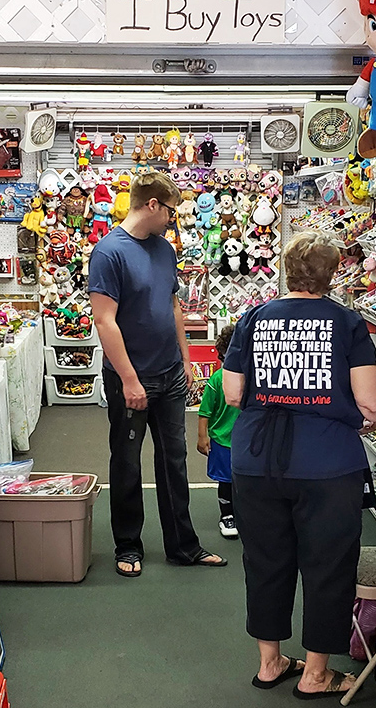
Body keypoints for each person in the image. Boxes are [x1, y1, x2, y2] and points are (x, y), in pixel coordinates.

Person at [222, 231, 376, 699]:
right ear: (331, 274)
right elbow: (370, 402)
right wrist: (372, 414)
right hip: (326, 463)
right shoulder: (347, 323)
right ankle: (316, 674)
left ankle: (270, 662)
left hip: (256, 460)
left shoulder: (253, 318)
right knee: (328, 566)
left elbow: (233, 393)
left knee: (264, 561)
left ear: (287, 269)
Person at [88, 172, 226, 578]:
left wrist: (185, 359)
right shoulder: (109, 253)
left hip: (169, 374)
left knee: (174, 461)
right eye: (170, 211)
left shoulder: (165, 249)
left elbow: (173, 306)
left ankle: (183, 546)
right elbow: (104, 320)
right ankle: (128, 545)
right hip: (130, 378)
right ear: (152, 205)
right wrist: (130, 379)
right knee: (127, 463)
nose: (172, 219)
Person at [197, 324, 240, 538]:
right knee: (226, 480)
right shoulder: (216, 380)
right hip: (222, 441)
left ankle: (245, 514)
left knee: (248, 479)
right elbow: (204, 411)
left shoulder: (252, 377)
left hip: (248, 441)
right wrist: (202, 436)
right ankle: (227, 515)